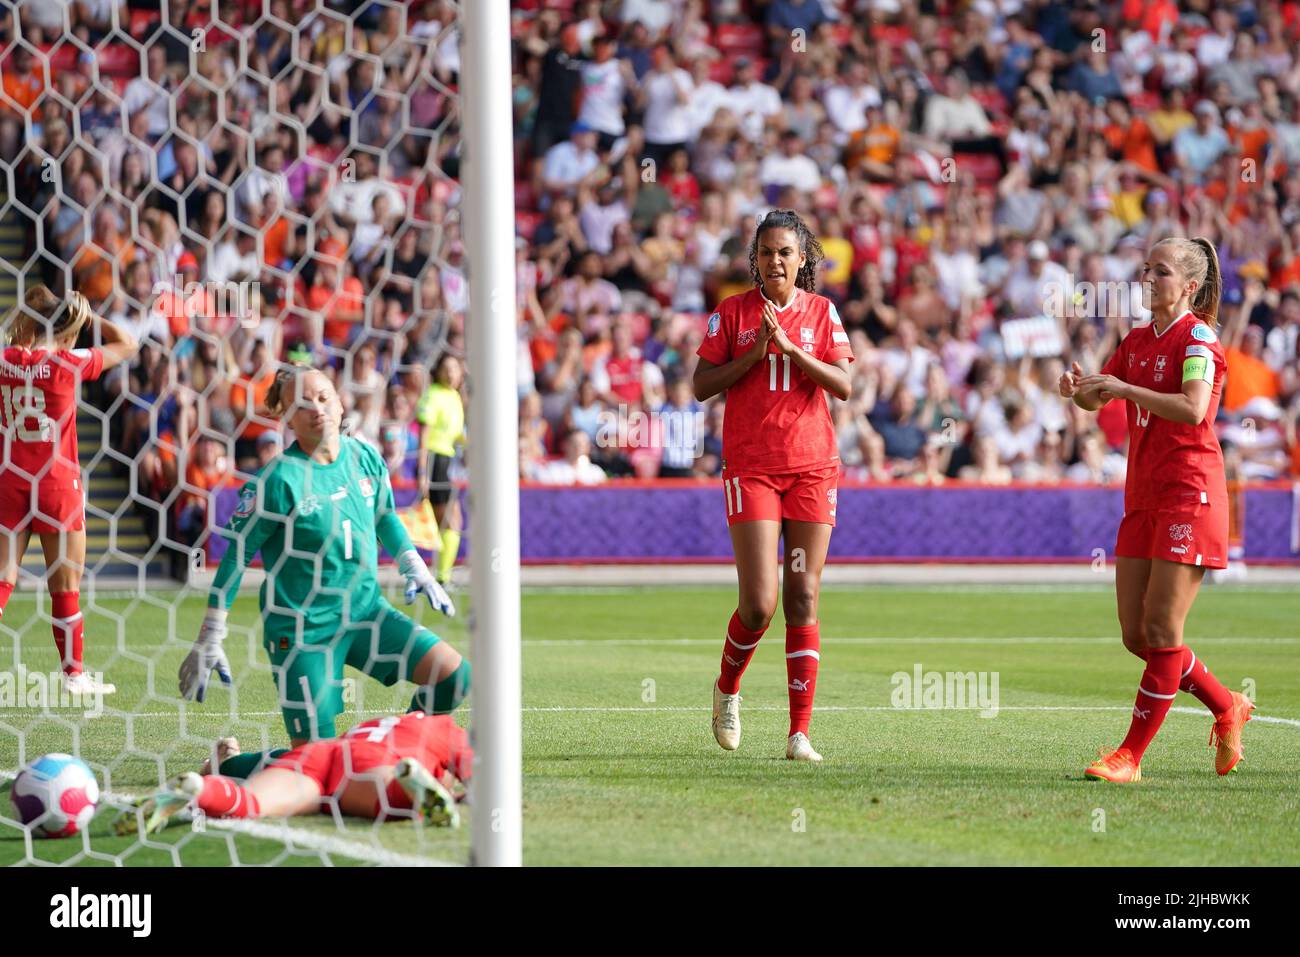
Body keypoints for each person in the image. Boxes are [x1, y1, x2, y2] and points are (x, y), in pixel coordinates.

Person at [179, 366, 468, 775]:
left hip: (367, 614)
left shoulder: (365, 456)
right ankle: (229, 765)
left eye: (323, 396)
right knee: (322, 766)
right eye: (302, 403)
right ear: (288, 418)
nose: (316, 408)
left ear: (339, 399)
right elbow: (236, 556)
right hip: (303, 632)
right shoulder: (278, 479)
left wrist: (412, 563)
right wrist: (212, 632)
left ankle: (401, 749)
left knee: (454, 676)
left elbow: (384, 514)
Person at [1060, 237, 1253, 782]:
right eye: (1147, 269)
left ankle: (1130, 757)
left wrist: (1125, 387)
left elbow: (1194, 410)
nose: (1149, 279)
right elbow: (1098, 396)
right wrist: (1077, 389)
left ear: (1189, 286)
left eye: (1161, 272)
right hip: (1143, 497)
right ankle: (1225, 704)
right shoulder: (1138, 339)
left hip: (1190, 495)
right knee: (1137, 637)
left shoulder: (1199, 338)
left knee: (1163, 632)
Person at [693, 209, 854, 763]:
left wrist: (793, 350)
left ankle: (799, 735)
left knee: (803, 594)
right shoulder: (732, 314)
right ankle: (727, 690)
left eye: (785, 252)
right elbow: (700, 386)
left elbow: (844, 385)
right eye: (765, 253)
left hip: (812, 467)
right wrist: (755, 353)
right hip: (752, 467)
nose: (775, 261)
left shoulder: (822, 312)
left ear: (803, 257)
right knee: (760, 604)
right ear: (755, 262)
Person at [0, 286, 139, 694]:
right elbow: (127, 343)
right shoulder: (68, 362)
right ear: (66, 331)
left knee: (3, 581)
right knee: (64, 586)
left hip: (9, 478)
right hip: (56, 483)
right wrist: (87, 315)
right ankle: (74, 676)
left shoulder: (4, 360)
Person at [116, 711, 470, 834]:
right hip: (375, 763)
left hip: (324, 753)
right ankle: (409, 788)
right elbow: (481, 773)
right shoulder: (445, 728)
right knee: (392, 801)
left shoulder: (377, 724)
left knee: (250, 803)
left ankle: (200, 788)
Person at [416, 352, 465, 585]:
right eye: (447, 368)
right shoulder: (432, 396)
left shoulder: (454, 396)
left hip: (448, 460)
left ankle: (442, 575)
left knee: (449, 521)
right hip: (435, 461)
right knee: (450, 521)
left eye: (455, 368)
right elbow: (424, 437)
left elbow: (455, 434)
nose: (451, 373)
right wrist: (422, 473)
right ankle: (442, 577)